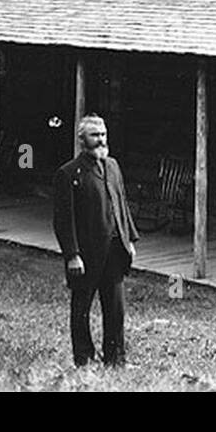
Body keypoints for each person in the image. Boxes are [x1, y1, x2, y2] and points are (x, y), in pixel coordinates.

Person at [52, 114, 139, 367]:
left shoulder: (112, 166)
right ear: (82, 139)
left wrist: (129, 238)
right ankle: (84, 359)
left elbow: (121, 203)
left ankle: (116, 359)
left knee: (115, 309)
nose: (100, 139)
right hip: (86, 254)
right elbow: (63, 221)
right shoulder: (68, 173)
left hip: (114, 250)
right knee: (81, 309)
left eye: (103, 134)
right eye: (94, 135)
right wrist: (72, 255)